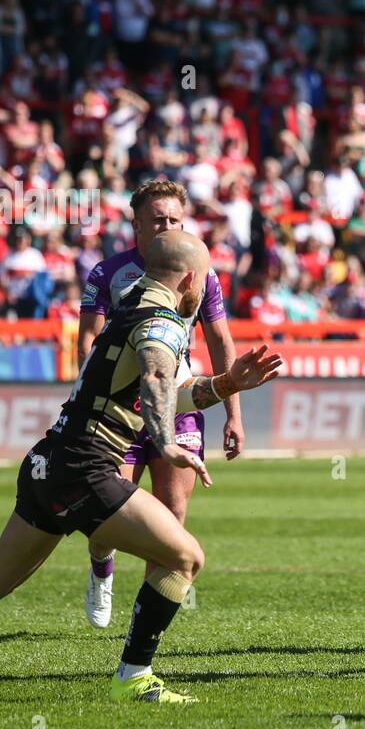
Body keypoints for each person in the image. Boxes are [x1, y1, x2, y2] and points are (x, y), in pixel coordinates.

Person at [0, 232, 283, 704]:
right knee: (185, 558)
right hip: (87, 467)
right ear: (192, 280)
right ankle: (134, 676)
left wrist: (225, 383)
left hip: (48, 461)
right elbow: (157, 374)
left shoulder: (131, 305)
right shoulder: (166, 319)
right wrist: (166, 441)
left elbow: (170, 387)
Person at [77, 180, 242, 628]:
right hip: (123, 409)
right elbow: (89, 340)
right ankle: (101, 566)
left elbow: (220, 339)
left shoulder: (202, 273)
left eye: (174, 219)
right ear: (137, 225)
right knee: (109, 508)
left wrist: (233, 412)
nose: (167, 225)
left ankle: (142, 616)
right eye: (158, 219)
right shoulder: (108, 272)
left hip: (181, 397)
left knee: (172, 516)